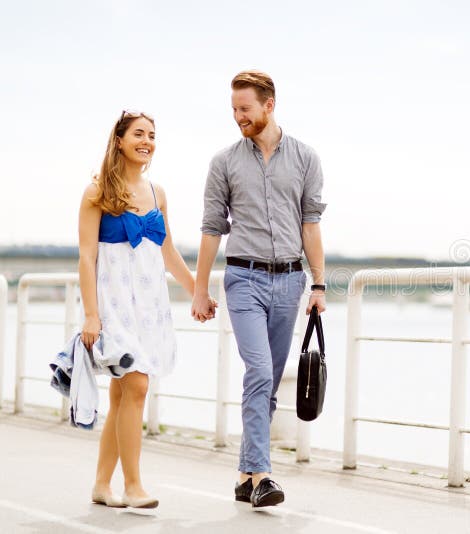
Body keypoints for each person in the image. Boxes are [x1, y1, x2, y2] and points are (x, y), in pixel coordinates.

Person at [191, 70, 327, 508]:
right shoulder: (224, 162)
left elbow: (311, 224)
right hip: (244, 279)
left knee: (265, 385)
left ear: (269, 105)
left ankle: (246, 474)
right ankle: (264, 477)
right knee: (261, 372)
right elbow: (212, 229)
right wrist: (199, 289)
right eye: (233, 110)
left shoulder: (306, 158)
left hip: (290, 281)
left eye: (244, 109)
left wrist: (319, 283)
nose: (238, 117)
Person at [78, 110, 202, 509]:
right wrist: (91, 315)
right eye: (138, 133)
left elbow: (168, 252)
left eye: (152, 135)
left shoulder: (157, 193)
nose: (147, 141)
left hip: (149, 306)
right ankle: (132, 486)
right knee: (137, 385)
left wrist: (198, 292)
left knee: (121, 395)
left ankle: (101, 484)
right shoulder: (97, 191)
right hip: (113, 304)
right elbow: (86, 258)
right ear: (119, 140)